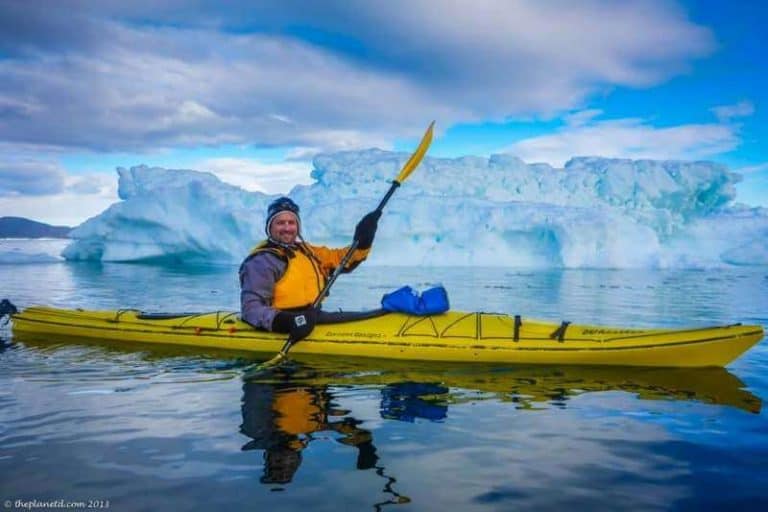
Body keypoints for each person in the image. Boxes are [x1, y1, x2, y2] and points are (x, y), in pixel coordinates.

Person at [239, 197, 380, 341]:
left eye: (291, 222)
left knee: (376, 314)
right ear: (270, 227)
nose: (287, 228)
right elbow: (251, 309)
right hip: (284, 323)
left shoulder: (307, 251)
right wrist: (288, 321)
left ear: (297, 226)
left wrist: (363, 241)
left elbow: (340, 259)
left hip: (312, 317)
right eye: (280, 223)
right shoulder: (262, 261)